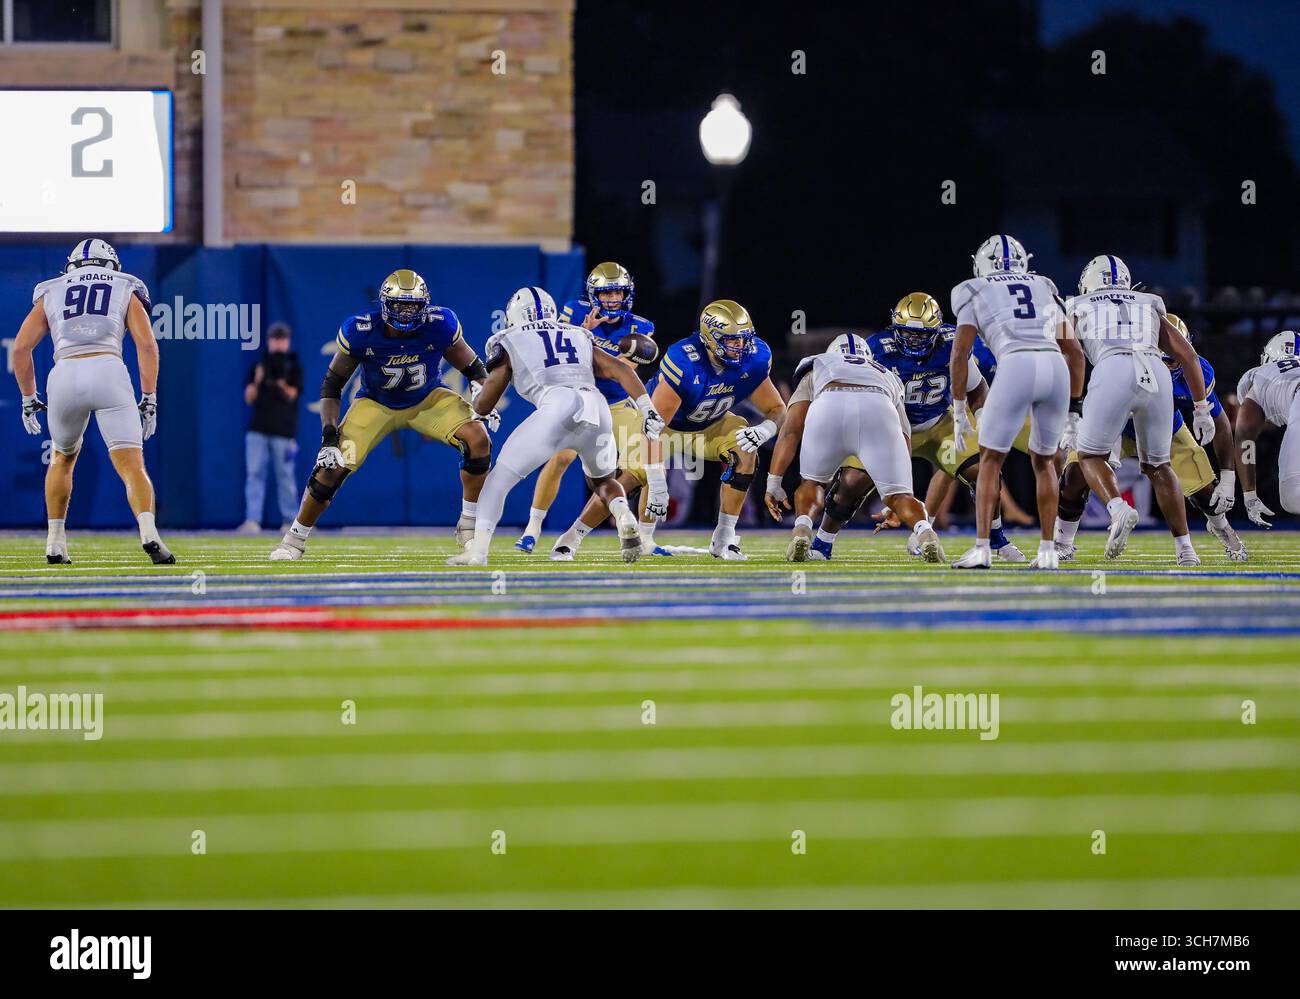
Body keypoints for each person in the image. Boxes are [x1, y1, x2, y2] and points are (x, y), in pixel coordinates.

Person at [268, 269, 498, 561]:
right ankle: (294, 539)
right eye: (399, 304)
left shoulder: (440, 325)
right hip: (375, 403)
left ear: (424, 305)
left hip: (428, 398)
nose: (405, 312)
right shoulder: (361, 330)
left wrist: (481, 395)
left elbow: (474, 368)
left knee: (478, 439)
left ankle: (468, 525)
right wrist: (328, 437)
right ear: (384, 304)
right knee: (332, 465)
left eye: (412, 306)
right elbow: (332, 385)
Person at [450, 286, 665, 566]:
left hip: (558, 404)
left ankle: (477, 552)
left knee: (498, 480)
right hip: (597, 406)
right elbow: (619, 369)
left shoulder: (508, 337)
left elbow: (495, 383)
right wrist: (647, 407)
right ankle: (623, 512)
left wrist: (480, 411)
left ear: (514, 314)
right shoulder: (578, 333)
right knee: (604, 482)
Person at [13, 237, 175, 565]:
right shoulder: (124, 286)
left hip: (64, 374)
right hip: (107, 369)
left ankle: (55, 542)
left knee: (61, 459)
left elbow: (19, 348)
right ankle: (149, 532)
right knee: (131, 465)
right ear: (111, 266)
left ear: (71, 266)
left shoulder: (52, 290)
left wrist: (28, 397)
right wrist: (149, 397)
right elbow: (147, 346)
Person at [514, 262, 656, 552]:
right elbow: (563, 356)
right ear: (593, 295)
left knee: (643, 467)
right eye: (606, 294)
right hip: (578, 396)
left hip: (615, 403)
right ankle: (533, 527)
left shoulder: (641, 328)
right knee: (562, 457)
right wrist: (583, 331)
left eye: (618, 292)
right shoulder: (574, 311)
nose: (613, 299)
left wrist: (589, 340)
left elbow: (618, 370)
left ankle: (631, 537)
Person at [239, 322, 303, 532]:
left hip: (283, 430)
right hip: (258, 427)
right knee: (254, 474)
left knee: (285, 476)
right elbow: (249, 398)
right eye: (275, 338)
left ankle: (290, 520)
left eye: (282, 338)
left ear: (288, 341)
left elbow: (293, 394)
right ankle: (253, 519)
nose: (278, 342)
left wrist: (280, 383)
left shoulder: (293, 367)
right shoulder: (258, 366)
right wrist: (258, 381)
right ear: (269, 341)